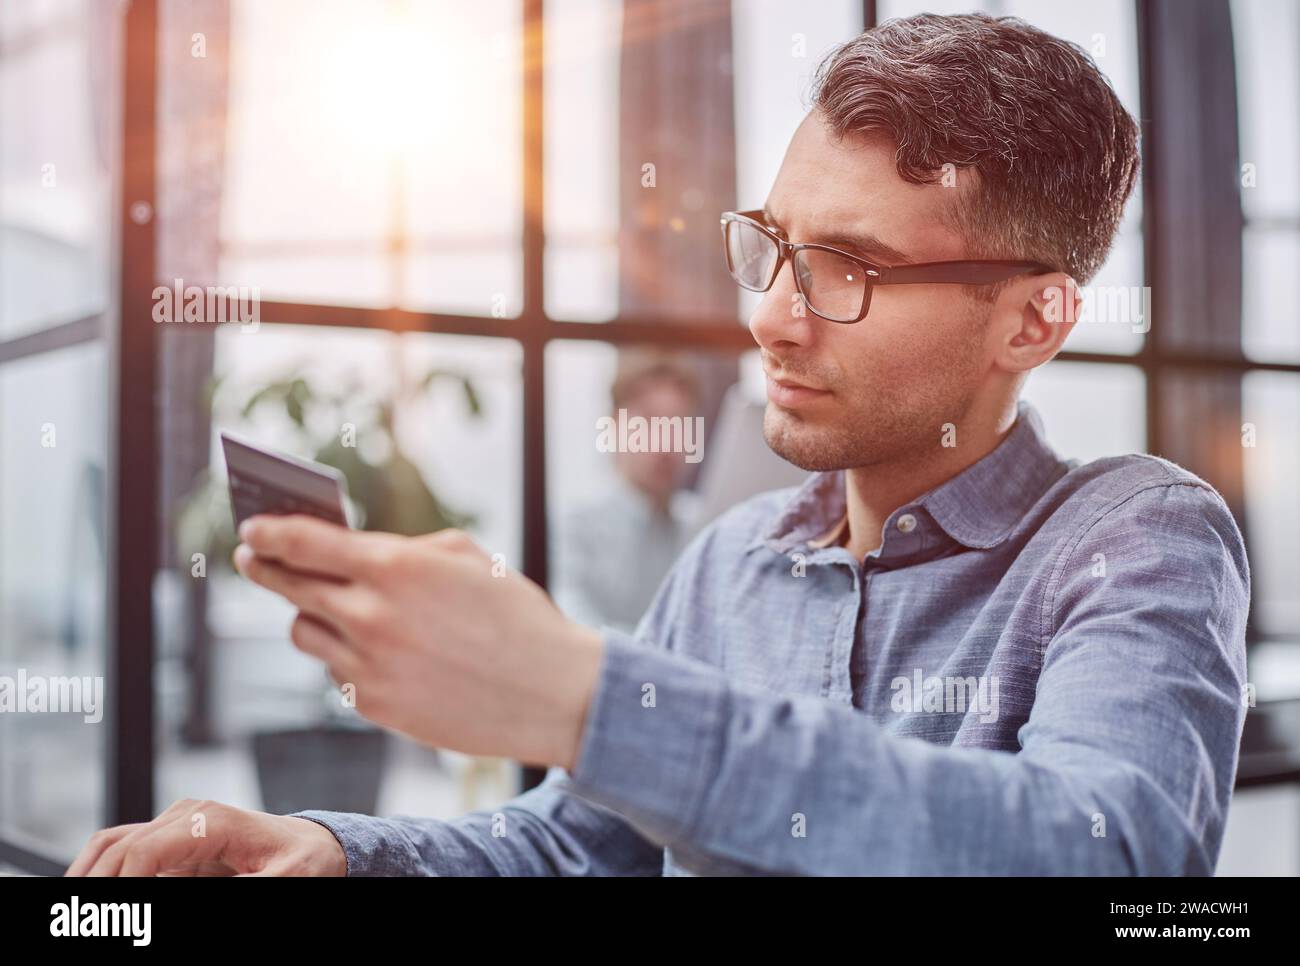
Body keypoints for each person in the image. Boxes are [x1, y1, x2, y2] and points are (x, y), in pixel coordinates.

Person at [69, 13, 1248, 877]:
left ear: (1031, 318)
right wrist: (337, 850)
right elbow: (578, 845)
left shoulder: (1133, 536)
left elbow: (1108, 857)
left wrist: (590, 698)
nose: (771, 315)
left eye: (850, 270)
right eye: (771, 246)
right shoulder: (736, 557)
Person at [551, 350, 702, 634]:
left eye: (679, 424)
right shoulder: (572, 524)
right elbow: (573, 626)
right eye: (649, 422)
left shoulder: (701, 525)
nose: (666, 443)